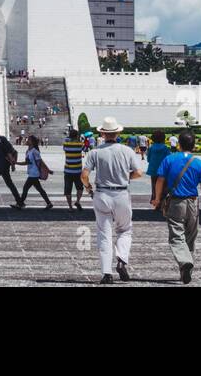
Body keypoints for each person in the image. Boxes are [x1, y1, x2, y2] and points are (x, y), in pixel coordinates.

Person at [80, 117, 143, 284]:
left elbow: (84, 176)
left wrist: (89, 189)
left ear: (102, 133)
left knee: (104, 234)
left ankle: (106, 273)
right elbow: (138, 173)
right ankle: (121, 260)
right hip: (121, 194)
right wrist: (125, 177)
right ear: (118, 133)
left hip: (102, 194)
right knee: (125, 230)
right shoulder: (127, 151)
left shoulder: (95, 152)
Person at [150, 131, 201, 284]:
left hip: (175, 202)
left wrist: (157, 199)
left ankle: (184, 263)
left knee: (176, 236)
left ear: (179, 144)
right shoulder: (199, 162)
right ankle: (187, 268)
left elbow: (160, 180)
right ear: (194, 145)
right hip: (192, 202)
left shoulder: (169, 159)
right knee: (190, 236)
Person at [20, 135, 53, 208]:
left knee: (25, 188)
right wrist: (17, 163)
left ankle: (20, 204)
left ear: (32, 142)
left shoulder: (35, 151)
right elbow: (27, 162)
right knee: (40, 189)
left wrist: (47, 170)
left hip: (34, 173)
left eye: (28, 140)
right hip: (32, 173)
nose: (27, 141)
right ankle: (49, 203)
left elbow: (40, 162)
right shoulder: (28, 151)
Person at [62, 127, 86, 211]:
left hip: (68, 170)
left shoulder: (66, 144)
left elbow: (65, 142)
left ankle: (70, 207)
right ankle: (78, 201)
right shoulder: (80, 145)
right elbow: (84, 147)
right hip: (78, 170)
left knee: (68, 190)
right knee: (80, 188)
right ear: (77, 136)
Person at [145, 130, 171, 199]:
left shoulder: (151, 148)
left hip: (153, 170)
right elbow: (169, 159)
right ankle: (162, 201)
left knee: (154, 186)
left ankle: (155, 200)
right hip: (163, 171)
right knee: (164, 187)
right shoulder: (165, 148)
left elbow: (148, 159)